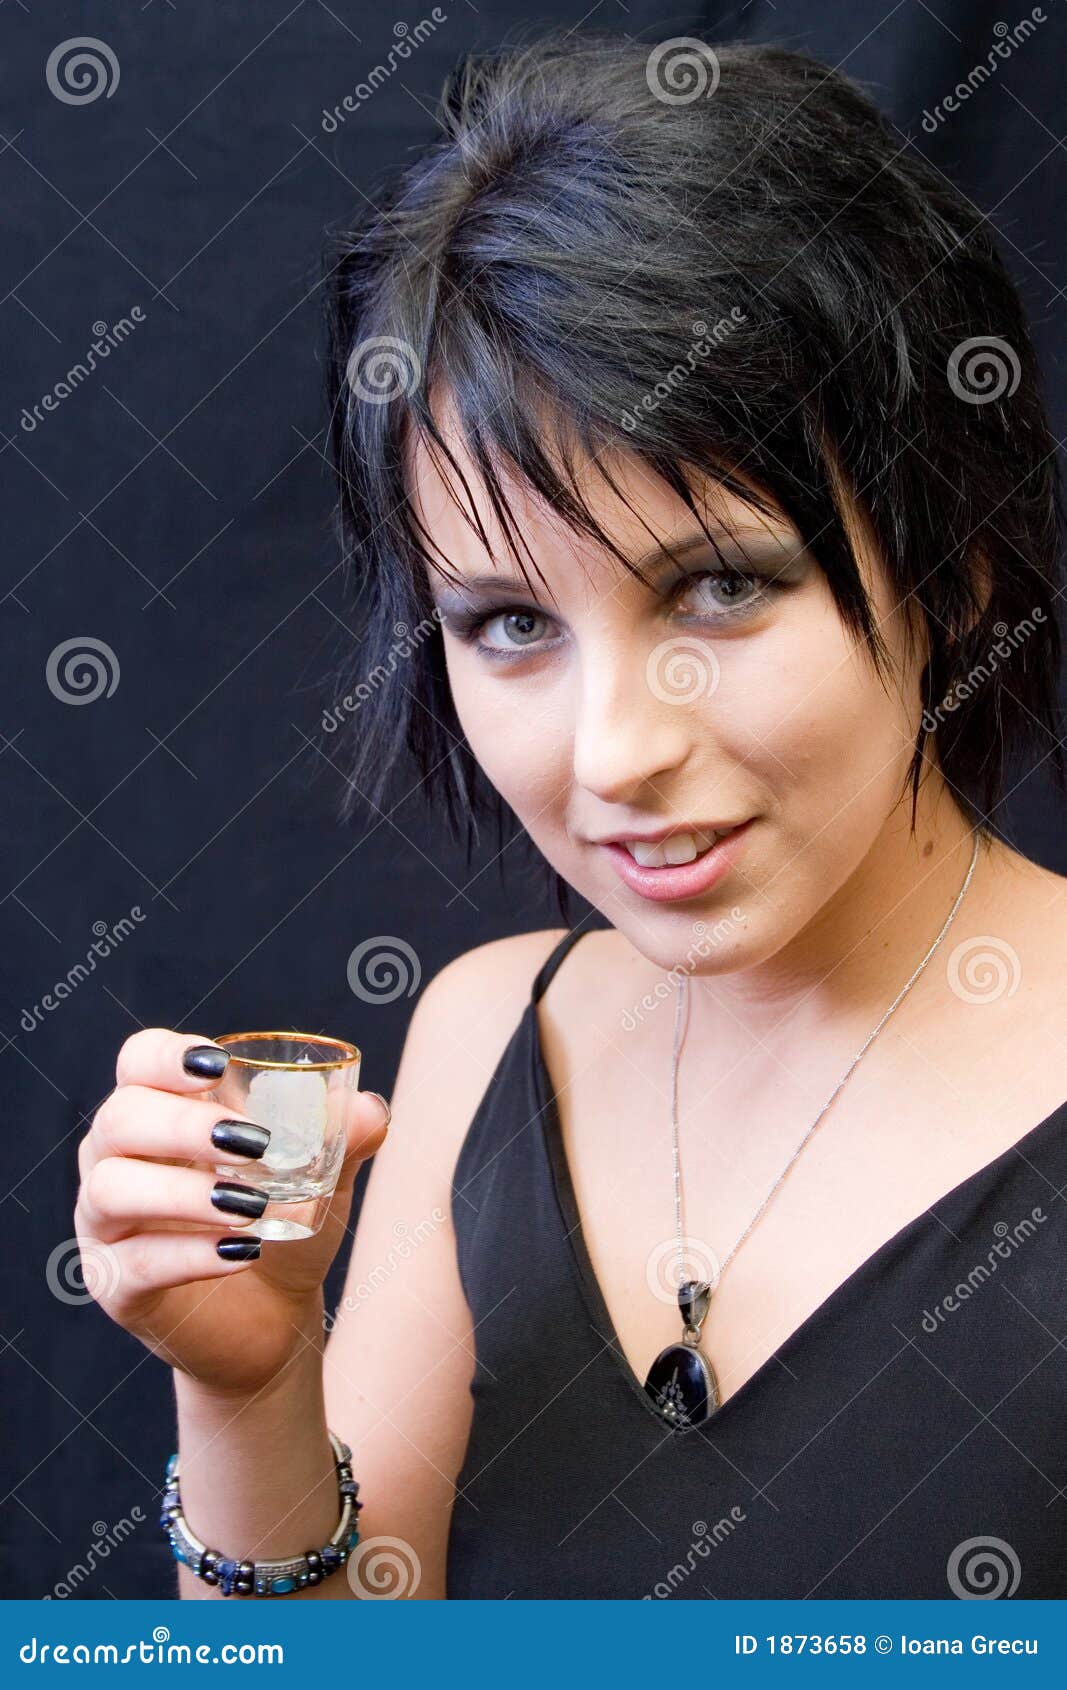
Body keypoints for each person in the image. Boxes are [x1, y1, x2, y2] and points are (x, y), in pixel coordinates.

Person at [76, 32, 1067, 1599]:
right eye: (509, 624)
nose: (613, 753)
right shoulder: (485, 1038)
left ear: (950, 569)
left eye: (722, 587)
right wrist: (250, 1391)